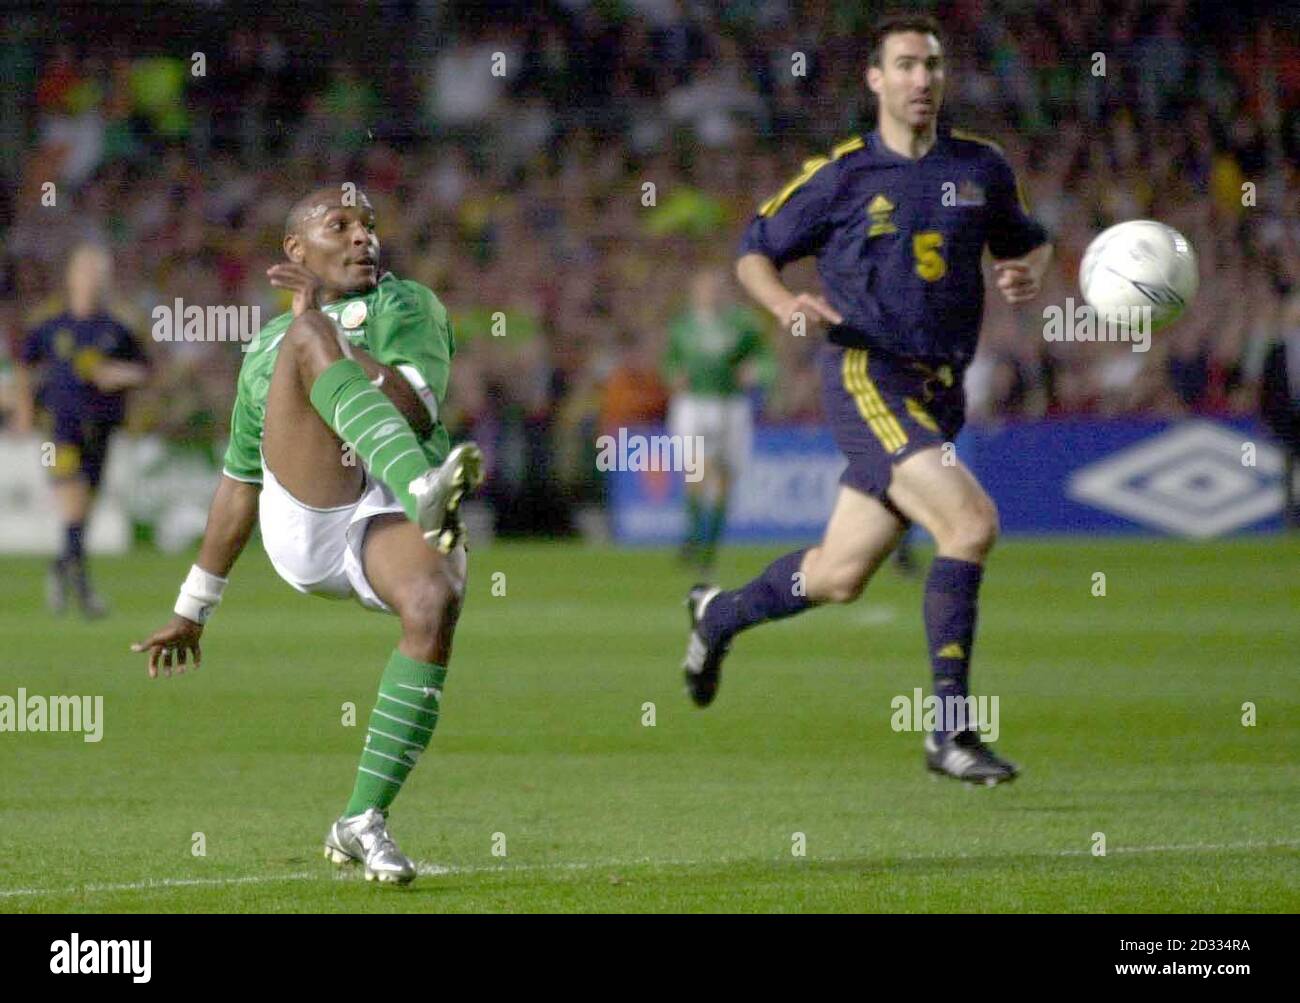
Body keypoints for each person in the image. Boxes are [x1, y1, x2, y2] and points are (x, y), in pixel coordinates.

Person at [680, 14, 1053, 785]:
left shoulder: (981, 167)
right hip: (868, 375)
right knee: (970, 521)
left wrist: (1028, 270)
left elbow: (1028, 240)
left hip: (939, 393)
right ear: (877, 80)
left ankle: (717, 614)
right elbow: (755, 249)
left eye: (934, 66)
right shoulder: (844, 174)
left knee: (838, 575)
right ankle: (948, 730)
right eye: (907, 65)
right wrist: (782, 302)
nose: (923, 79)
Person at [131, 186, 483, 883]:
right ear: (296, 251)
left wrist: (337, 341)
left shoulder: (410, 305)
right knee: (304, 336)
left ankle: (360, 819)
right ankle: (426, 492)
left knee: (433, 602)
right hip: (311, 516)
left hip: (381, 511)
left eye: (370, 226)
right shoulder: (267, 347)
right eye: (340, 226)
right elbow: (239, 483)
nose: (362, 238)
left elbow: (414, 406)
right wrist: (192, 607)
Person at [13, 243, 150, 617]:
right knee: (72, 502)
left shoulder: (117, 328)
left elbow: (145, 370)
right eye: (86, 271)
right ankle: (84, 590)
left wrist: (118, 375)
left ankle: (61, 568)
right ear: (72, 277)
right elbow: (24, 364)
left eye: (98, 273)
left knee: (82, 513)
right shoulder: (51, 325)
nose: (92, 280)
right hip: (58, 430)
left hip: (102, 428)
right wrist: (25, 410)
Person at [664, 266, 770, 571]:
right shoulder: (682, 325)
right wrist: (674, 375)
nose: (710, 293)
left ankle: (708, 547)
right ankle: (696, 539)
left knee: (724, 476)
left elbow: (764, 358)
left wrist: (756, 372)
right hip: (693, 405)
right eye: (704, 287)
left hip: (731, 405)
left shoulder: (742, 323)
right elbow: (670, 361)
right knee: (697, 471)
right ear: (695, 291)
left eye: (715, 287)